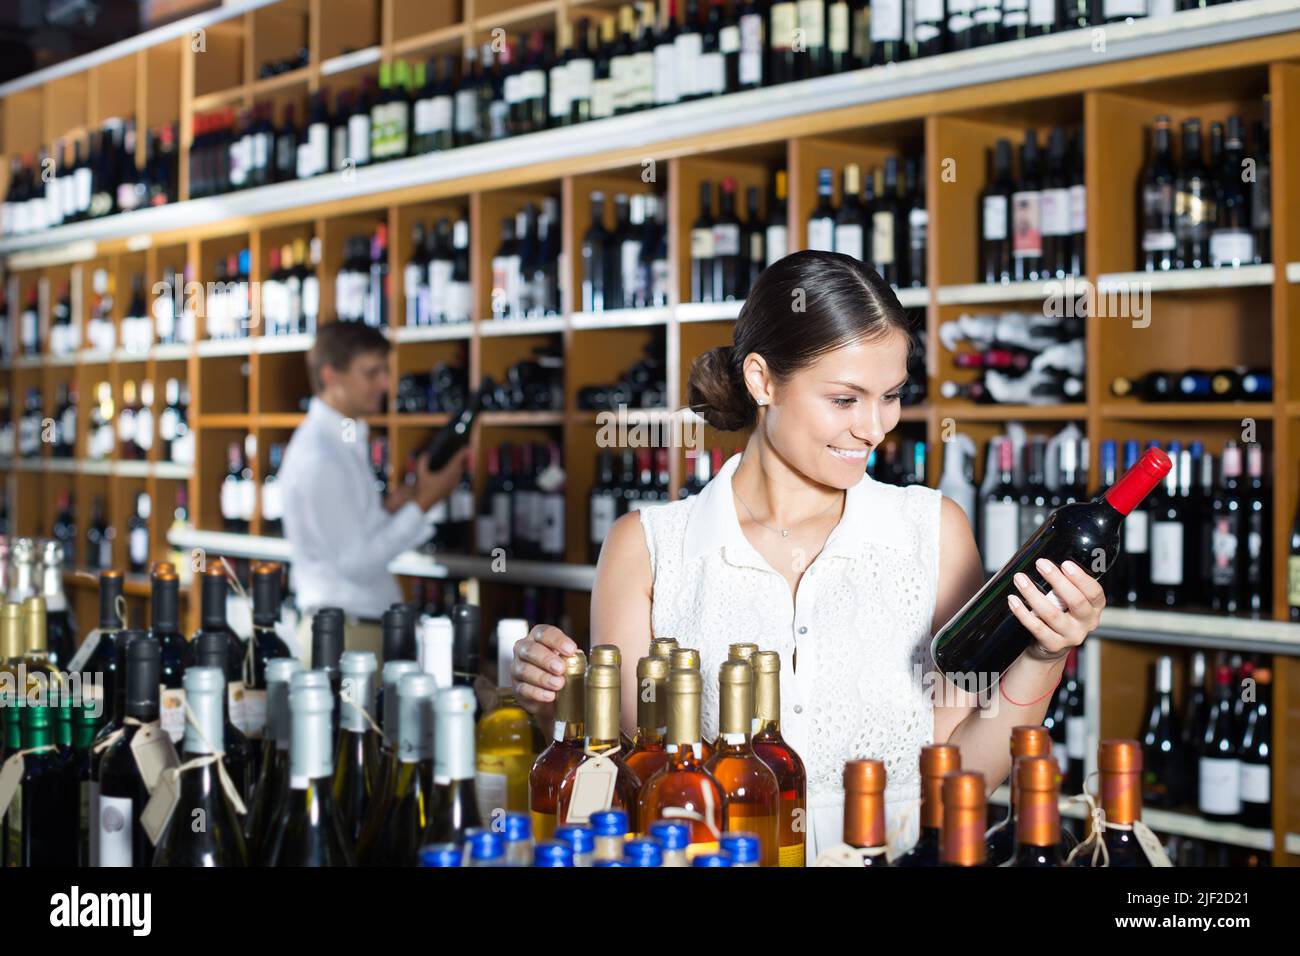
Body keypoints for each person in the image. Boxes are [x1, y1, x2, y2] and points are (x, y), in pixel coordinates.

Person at [510, 251, 1106, 862]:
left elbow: (964, 776)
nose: (875, 429)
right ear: (762, 380)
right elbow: (638, 775)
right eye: (845, 400)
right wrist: (560, 700)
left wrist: (1045, 654)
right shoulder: (649, 547)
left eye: (892, 396)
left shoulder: (932, 532)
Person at [279, 321, 467, 658]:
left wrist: (397, 505)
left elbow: (356, 538)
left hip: (351, 633)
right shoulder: (321, 456)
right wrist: (425, 501)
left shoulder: (343, 442)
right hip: (344, 638)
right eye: (372, 373)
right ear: (330, 376)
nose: (385, 384)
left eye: (385, 371)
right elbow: (357, 563)